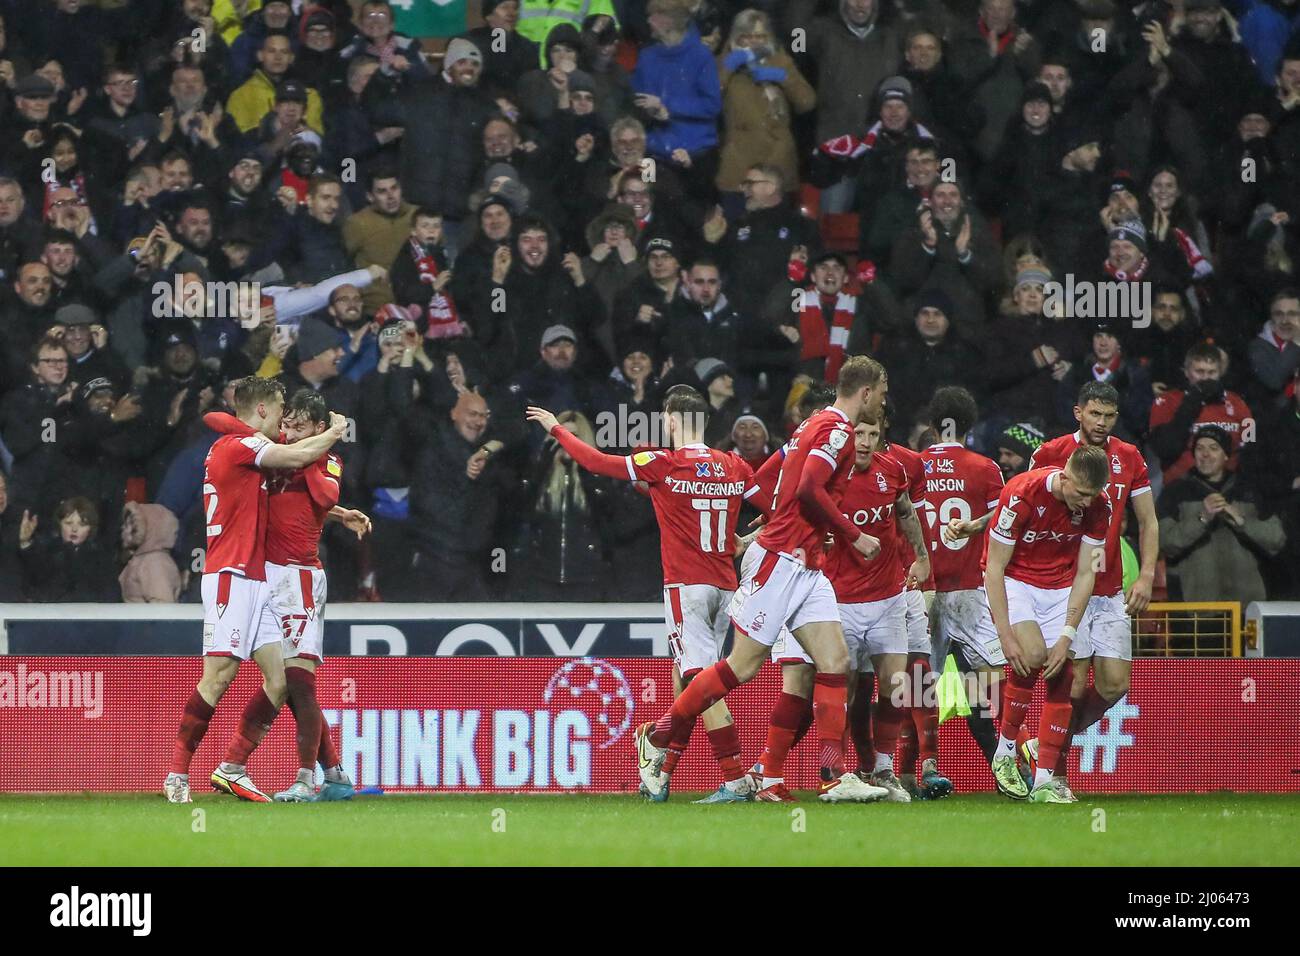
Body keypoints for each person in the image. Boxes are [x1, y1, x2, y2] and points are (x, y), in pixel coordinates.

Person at [635, 356, 891, 803]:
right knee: (741, 667)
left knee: (835, 662)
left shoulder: (814, 423)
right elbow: (810, 487)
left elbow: (774, 469)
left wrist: (771, 514)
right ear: (866, 392)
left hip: (807, 564)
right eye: (882, 393)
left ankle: (832, 775)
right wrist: (853, 534)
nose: (884, 402)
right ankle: (658, 736)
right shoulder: (835, 430)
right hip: (782, 562)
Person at [528, 386, 758, 803]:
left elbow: (595, 462)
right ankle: (660, 774)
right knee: (684, 679)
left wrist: (557, 429)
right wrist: (749, 538)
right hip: (727, 586)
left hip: (687, 587)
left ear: (670, 420)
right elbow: (777, 503)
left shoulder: (663, 463)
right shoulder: (734, 465)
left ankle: (723, 773)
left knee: (700, 682)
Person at [163, 376, 348, 804]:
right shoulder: (240, 446)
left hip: (258, 578)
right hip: (231, 575)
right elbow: (298, 454)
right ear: (263, 409)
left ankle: (232, 768)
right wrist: (336, 431)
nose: (284, 417)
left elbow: (279, 495)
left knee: (281, 679)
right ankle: (176, 775)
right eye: (280, 408)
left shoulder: (240, 443)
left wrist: (338, 514)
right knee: (218, 678)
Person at [203, 388, 371, 803]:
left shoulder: (327, 458)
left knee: (298, 682)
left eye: (299, 426)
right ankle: (332, 774)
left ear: (319, 428)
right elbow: (217, 421)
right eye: (287, 422)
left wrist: (315, 454)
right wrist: (337, 512)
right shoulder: (276, 449)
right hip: (261, 575)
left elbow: (325, 495)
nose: (289, 431)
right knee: (285, 683)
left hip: (299, 579)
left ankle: (305, 778)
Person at [1023, 382, 1159, 800]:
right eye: (1095, 414)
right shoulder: (1051, 452)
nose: (1101, 423)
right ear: (1078, 412)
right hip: (1067, 585)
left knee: (1115, 684)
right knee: (1073, 683)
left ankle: (1043, 745)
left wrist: (1146, 575)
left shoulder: (1129, 456)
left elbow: (1148, 522)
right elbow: (1024, 505)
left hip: (1110, 588)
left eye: (1109, 416)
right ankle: (1055, 775)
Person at [958, 444, 1111, 804]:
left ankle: (1044, 781)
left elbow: (1087, 572)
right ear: (1065, 476)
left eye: (1092, 495)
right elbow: (994, 569)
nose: (1086, 502)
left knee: (1064, 676)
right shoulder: (1021, 495)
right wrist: (1005, 636)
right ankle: (1005, 751)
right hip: (1017, 581)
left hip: (1060, 586)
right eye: (1081, 493)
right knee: (1031, 654)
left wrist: (1068, 635)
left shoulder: (1099, 506)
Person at [822, 415, 931, 802]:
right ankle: (835, 773)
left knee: (895, 684)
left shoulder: (893, 471)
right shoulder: (827, 476)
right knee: (845, 688)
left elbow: (905, 511)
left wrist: (922, 556)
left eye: (872, 434)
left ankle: (884, 770)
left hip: (888, 596)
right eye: (858, 434)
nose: (865, 442)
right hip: (839, 599)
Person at [922, 387, 1006, 767]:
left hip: (923, 590)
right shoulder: (985, 468)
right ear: (970, 425)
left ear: (932, 424)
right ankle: (1015, 757)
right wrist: (974, 526)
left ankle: (917, 770)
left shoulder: (913, 466)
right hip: (970, 589)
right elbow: (1005, 518)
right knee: (991, 680)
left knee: (920, 686)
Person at [1158, 424, 1285, 605]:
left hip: (1247, 607)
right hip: (1197, 610)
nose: (1205, 454)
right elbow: (1164, 543)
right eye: (1199, 448)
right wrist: (1202, 519)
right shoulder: (1175, 492)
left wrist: (1243, 523)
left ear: (1226, 455)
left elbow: (1276, 539)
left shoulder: (1249, 490)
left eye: (1213, 448)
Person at [1149, 342, 1252, 484]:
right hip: (1182, 486)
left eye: (1211, 372)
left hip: (1228, 486)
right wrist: (1192, 401)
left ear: (1220, 373)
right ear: (1187, 372)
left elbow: (1251, 445)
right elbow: (1165, 448)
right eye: (1200, 372)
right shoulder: (1166, 402)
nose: (1205, 379)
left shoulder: (1238, 403)